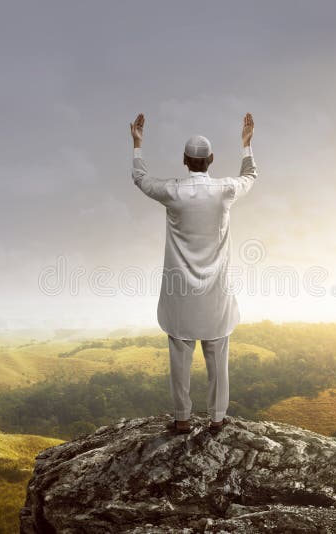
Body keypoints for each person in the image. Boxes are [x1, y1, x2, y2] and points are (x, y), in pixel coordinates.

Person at [129, 112, 257, 435]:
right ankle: (217, 418)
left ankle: (182, 418)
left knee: (180, 360)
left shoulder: (173, 192)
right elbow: (250, 177)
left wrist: (137, 146)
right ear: (211, 160)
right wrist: (246, 146)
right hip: (216, 295)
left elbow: (141, 180)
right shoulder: (224, 191)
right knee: (218, 361)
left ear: (185, 160)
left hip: (181, 296)